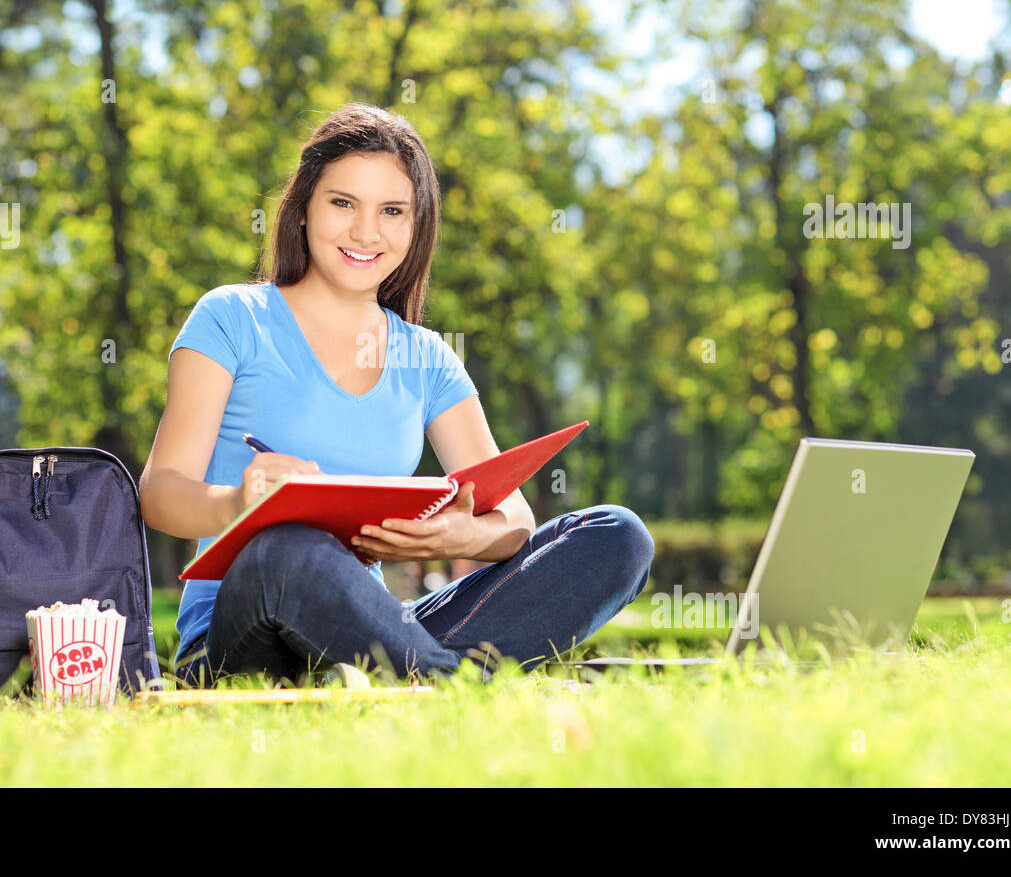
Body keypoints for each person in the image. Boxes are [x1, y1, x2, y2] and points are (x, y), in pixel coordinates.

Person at [138, 103, 654, 687]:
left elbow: (514, 517)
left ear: (416, 226)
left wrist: (468, 534)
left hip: (371, 635)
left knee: (617, 536)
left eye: (391, 211)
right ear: (304, 209)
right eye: (342, 203)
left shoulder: (428, 356)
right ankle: (446, 686)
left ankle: (416, 680)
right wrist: (238, 504)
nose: (365, 232)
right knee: (284, 547)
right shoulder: (233, 317)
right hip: (244, 632)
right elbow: (160, 493)